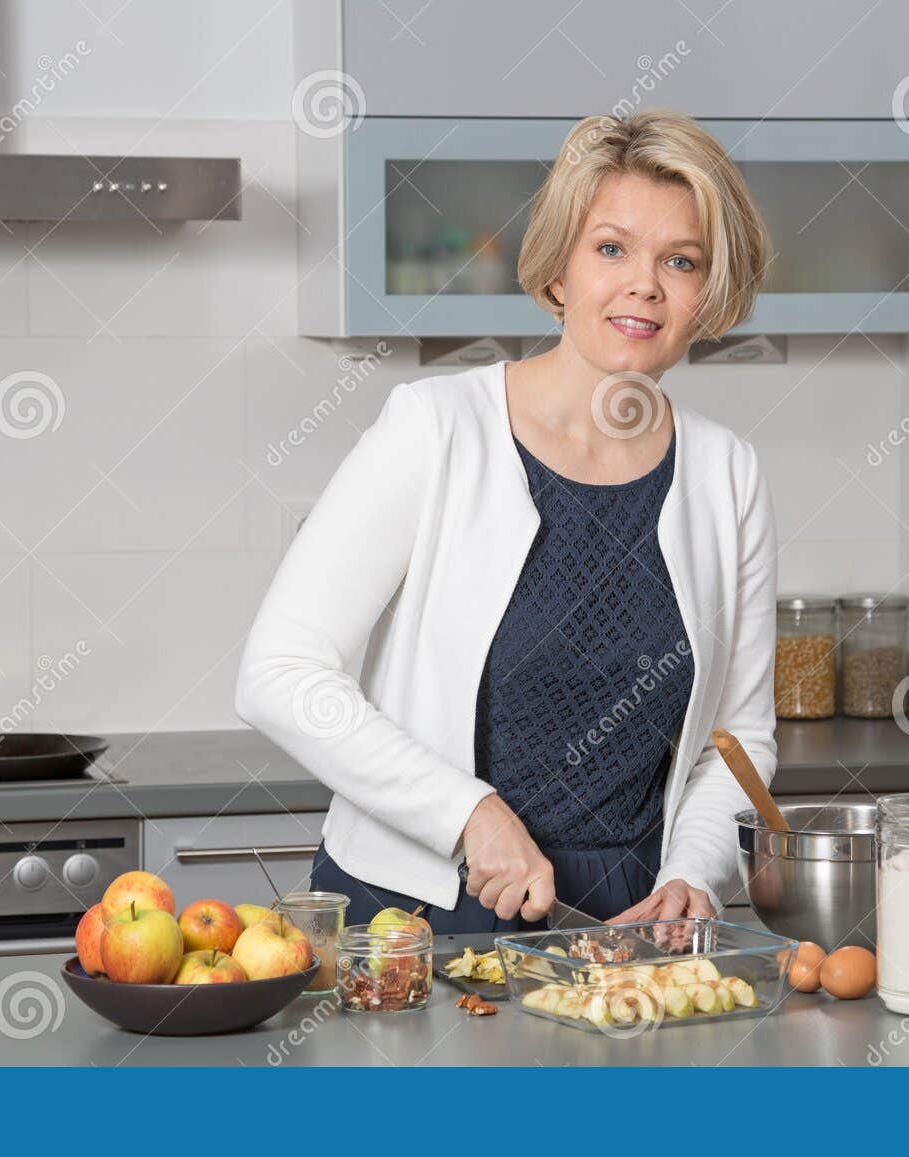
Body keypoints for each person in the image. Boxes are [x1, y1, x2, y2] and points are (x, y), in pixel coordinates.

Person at [235, 108, 778, 935]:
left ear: (709, 295)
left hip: (622, 919)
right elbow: (279, 673)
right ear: (558, 271)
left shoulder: (727, 473)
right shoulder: (436, 428)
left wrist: (693, 875)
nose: (645, 284)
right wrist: (468, 814)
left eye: (681, 260)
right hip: (413, 912)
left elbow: (738, 740)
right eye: (611, 249)